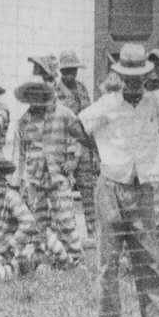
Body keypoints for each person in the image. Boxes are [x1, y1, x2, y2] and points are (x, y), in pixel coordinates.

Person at [77, 43, 159, 317]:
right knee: (108, 260)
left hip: (141, 187)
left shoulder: (155, 102)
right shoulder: (107, 104)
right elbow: (78, 125)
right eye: (128, 75)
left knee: (149, 257)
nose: (133, 81)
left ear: (146, 76)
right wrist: (100, 150)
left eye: (139, 75)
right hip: (110, 188)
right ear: (119, 76)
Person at [13, 78, 84, 267]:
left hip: (57, 175)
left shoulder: (63, 114)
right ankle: (43, 256)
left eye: (39, 94)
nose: (35, 100)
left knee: (65, 217)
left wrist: (73, 158)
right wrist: (19, 179)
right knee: (39, 219)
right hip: (34, 177)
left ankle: (75, 257)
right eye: (31, 95)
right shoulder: (23, 122)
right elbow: (20, 153)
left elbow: (79, 135)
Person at [56, 50, 99, 243]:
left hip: (84, 145)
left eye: (73, 70)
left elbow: (88, 119)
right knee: (61, 193)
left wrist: (93, 150)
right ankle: (66, 236)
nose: (70, 74)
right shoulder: (55, 92)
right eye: (66, 70)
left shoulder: (82, 89)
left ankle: (92, 230)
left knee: (87, 190)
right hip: (63, 148)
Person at [0, 151, 39, 282]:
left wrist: (11, 244)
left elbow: (29, 223)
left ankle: (22, 265)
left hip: (5, 251)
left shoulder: (10, 196)